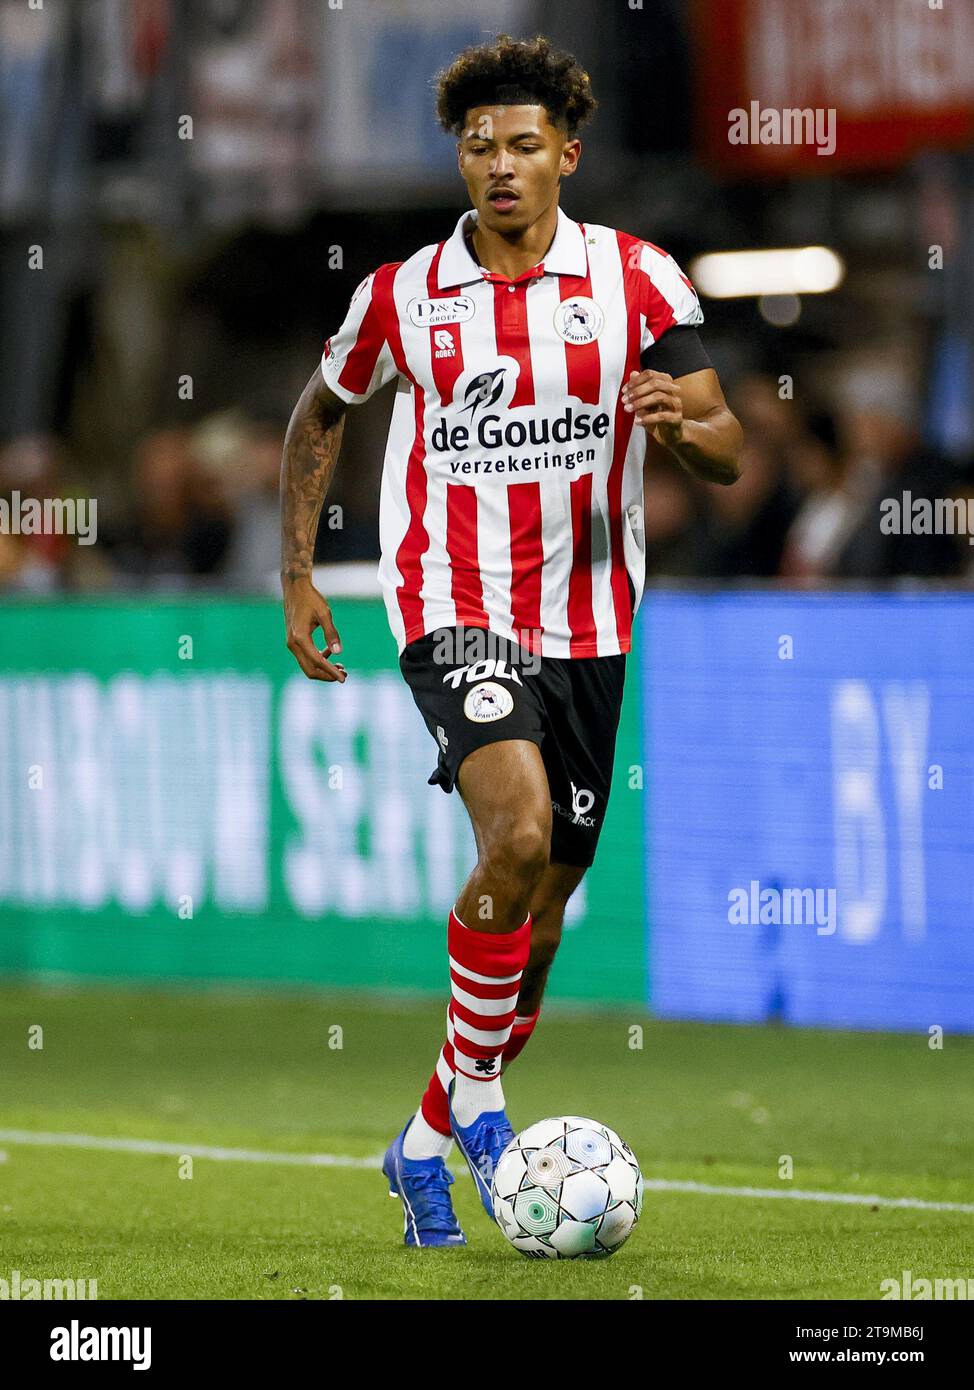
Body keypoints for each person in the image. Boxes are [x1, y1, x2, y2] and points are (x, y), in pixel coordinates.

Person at [279, 33, 742, 1247]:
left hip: (591, 621)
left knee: (537, 917)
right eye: (477, 144)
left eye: (522, 145)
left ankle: (424, 1135)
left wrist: (678, 427)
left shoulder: (639, 281)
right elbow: (320, 408)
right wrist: (295, 575)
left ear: (566, 157)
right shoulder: (402, 294)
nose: (497, 163)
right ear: (460, 158)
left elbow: (728, 441)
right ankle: (482, 1109)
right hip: (453, 605)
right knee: (517, 830)